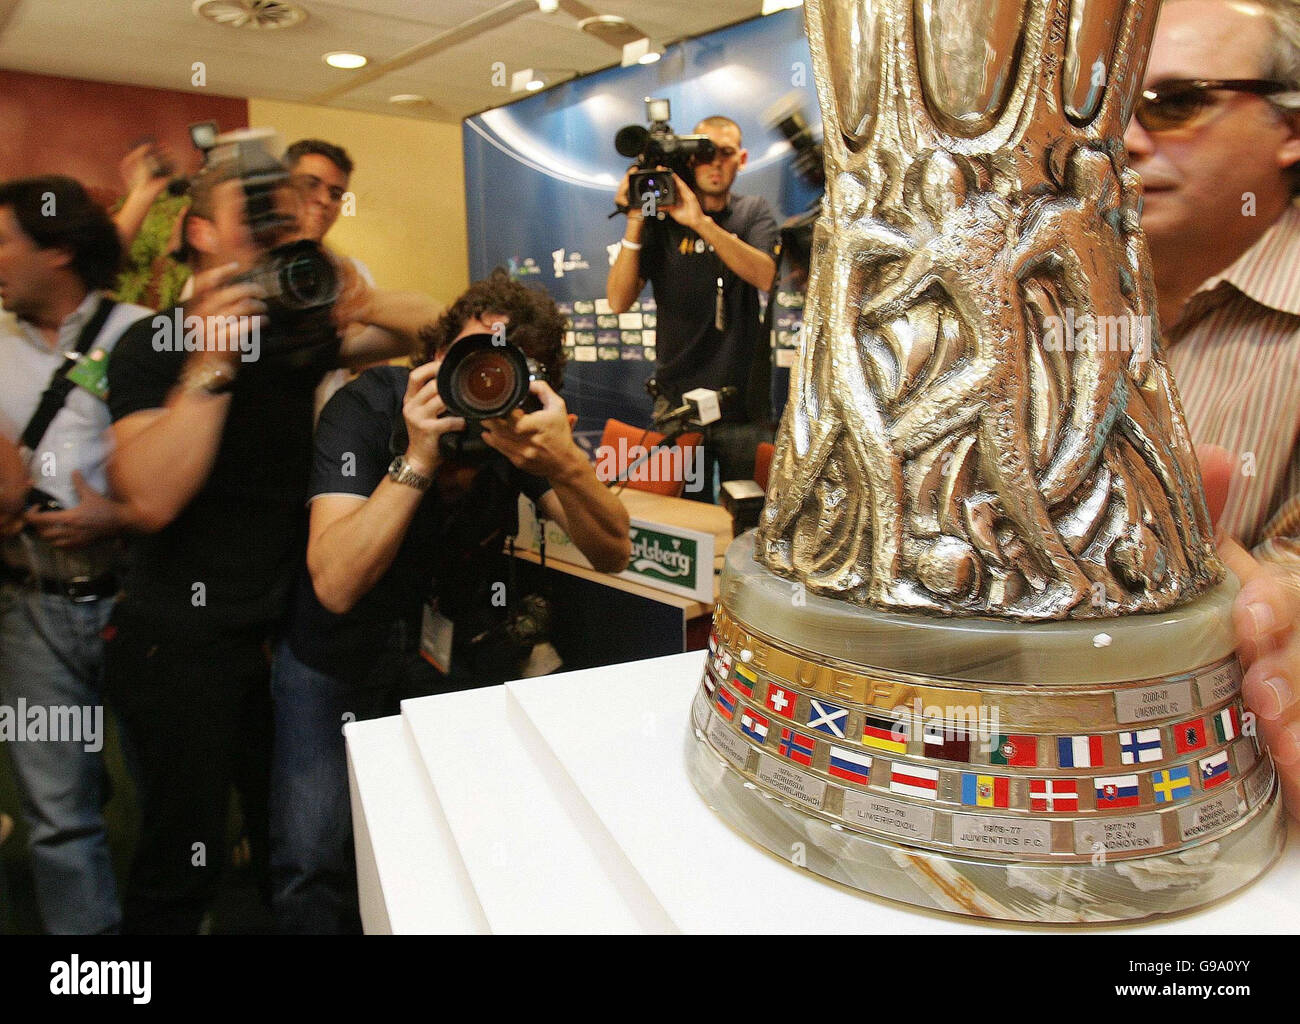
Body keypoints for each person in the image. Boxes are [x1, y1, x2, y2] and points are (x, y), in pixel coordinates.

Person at [102, 151, 442, 934]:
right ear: (198, 234)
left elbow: (432, 327)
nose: (275, 237)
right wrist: (212, 362)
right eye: (254, 223)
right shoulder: (155, 345)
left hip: (276, 644)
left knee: (283, 843)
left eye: (283, 225)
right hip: (179, 646)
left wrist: (361, 296)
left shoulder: (294, 341)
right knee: (178, 860)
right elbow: (151, 498)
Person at [269, 269, 630, 932]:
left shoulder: (516, 433)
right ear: (435, 353)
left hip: (446, 662)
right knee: (311, 859)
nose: (478, 383)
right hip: (333, 662)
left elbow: (612, 551)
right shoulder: (370, 407)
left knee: (443, 849)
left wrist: (565, 462)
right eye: (465, 360)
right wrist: (418, 455)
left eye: (503, 372)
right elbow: (336, 581)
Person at [1124, 0, 1300, 818]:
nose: (1125, 141)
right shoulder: (1042, 313)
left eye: (1175, 103)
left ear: (1288, 126)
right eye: (1113, 109)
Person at [0, 175, 153, 933]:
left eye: (4, 241)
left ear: (57, 250)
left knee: (165, 797)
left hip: (139, 600)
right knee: (58, 812)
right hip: (31, 603)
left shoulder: (145, 332)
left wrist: (119, 515)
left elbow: (179, 475)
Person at [606, 115, 779, 501]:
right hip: (677, 403)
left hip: (742, 406)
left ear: (743, 159)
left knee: (748, 523)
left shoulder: (752, 212)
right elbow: (618, 301)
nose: (715, 162)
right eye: (705, 153)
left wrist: (701, 223)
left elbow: (766, 276)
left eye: (726, 153)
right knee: (678, 522)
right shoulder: (661, 223)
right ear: (688, 159)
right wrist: (636, 218)